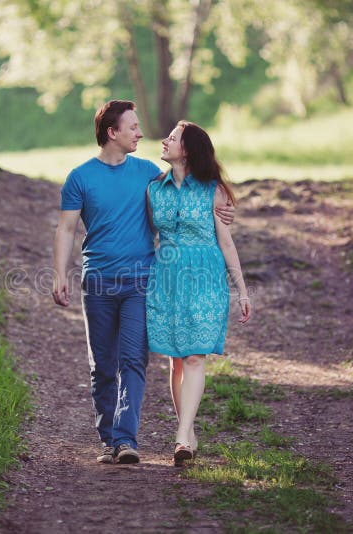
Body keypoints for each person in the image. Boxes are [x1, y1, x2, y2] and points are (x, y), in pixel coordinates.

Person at [52, 101, 234, 465]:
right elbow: (67, 227)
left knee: (134, 360)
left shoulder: (149, 174)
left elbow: (185, 198)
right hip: (98, 282)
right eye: (133, 127)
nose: (140, 132)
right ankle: (108, 438)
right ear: (112, 133)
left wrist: (221, 205)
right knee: (102, 365)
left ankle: (125, 439)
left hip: (141, 281)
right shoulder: (80, 177)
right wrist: (60, 273)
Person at [145, 120, 252, 466]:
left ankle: (181, 439)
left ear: (188, 150)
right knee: (175, 360)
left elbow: (226, 240)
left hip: (205, 278)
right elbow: (145, 235)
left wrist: (242, 290)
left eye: (172, 138)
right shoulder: (154, 190)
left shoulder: (212, 190)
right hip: (167, 278)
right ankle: (187, 430)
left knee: (194, 357)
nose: (164, 141)